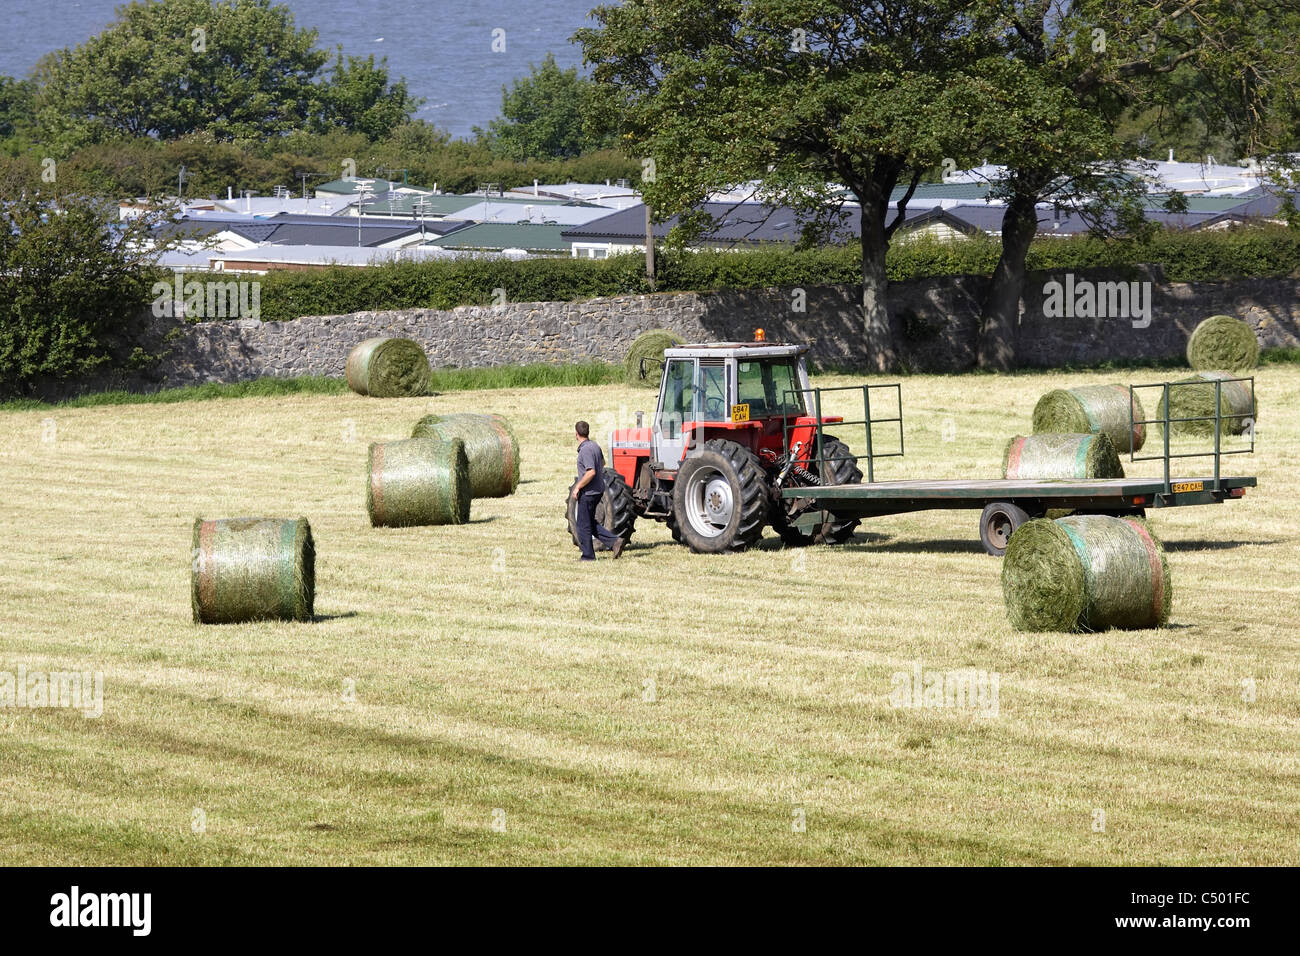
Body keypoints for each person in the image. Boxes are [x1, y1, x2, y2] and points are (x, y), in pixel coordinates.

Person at [570, 421, 625, 561]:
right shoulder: (595, 446)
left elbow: (591, 472)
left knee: (582, 525)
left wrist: (578, 486)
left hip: (589, 492)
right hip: (598, 490)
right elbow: (602, 463)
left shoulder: (585, 450)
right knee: (588, 522)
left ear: (576, 434)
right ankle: (615, 541)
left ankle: (588, 555)